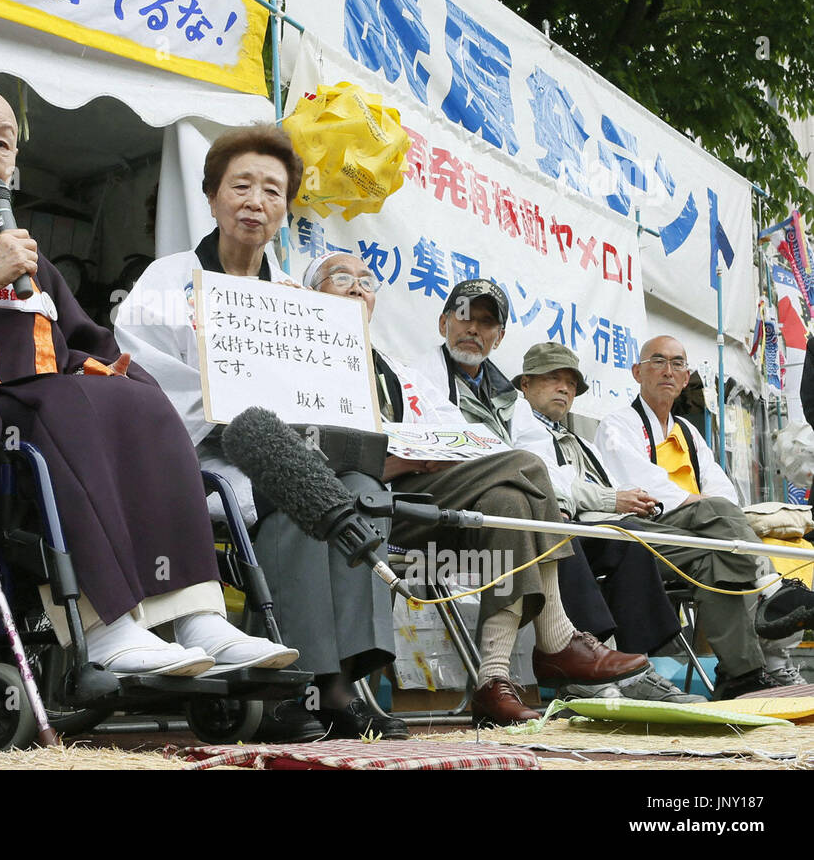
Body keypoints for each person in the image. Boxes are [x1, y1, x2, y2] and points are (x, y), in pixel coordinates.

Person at [0, 86, 296, 681]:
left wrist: (123, 384)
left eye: (1, 145)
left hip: (50, 418)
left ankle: (194, 613)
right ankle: (104, 624)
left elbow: (90, 344)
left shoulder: (30, 258)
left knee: (143, 398)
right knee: (65, 401)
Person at [115, 124, 409, 741]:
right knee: (293, 488)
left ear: (284, 211)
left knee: (362, 487)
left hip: (292, 448)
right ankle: (298, 680)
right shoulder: (168, 281)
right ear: (213, 195)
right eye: (241, 185)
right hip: (203, 452)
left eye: (272, 191)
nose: (256, 201)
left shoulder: (293, 298)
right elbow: (142, 374)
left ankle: (349, 677)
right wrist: (235, 405)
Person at [306, 255, 647, 725]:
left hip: (423, 498)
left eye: (366, 281)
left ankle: (492, 680)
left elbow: (455, 436)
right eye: (341, 279)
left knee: (511, 497)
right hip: (359, 496)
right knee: (527, 467)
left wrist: (430, 450)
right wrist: (394, 457)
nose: (356, 288)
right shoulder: (305, 350)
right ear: (444, 322)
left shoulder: (398, 370)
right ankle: (556, 638)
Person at [596, 335, 814, 698]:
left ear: (686, 377)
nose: (669, 371)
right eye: (658, 361)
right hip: (642, 536)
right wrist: (701, 506)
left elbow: (724, 490)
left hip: (693, 540)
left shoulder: (689, 432)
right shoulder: (618, 425)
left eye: (678, 363)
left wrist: (707, 509)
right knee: (716, 515)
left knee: (719, 561)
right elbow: (646, 489)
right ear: (637, 372)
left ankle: (741, 675)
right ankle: (772, 590)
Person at [512, 342, 705, 702]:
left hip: (589, 525)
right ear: (525, 385)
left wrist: (631, 502)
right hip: (542, 527)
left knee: (630, 539)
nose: (564, 389)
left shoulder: (579, 440)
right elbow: (546, 482)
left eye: (570, 383)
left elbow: (607, 492)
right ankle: (591, 662)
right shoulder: (517, 423)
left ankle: (635, 665)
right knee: (571, 533)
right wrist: (612, 501)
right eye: (553, 378)